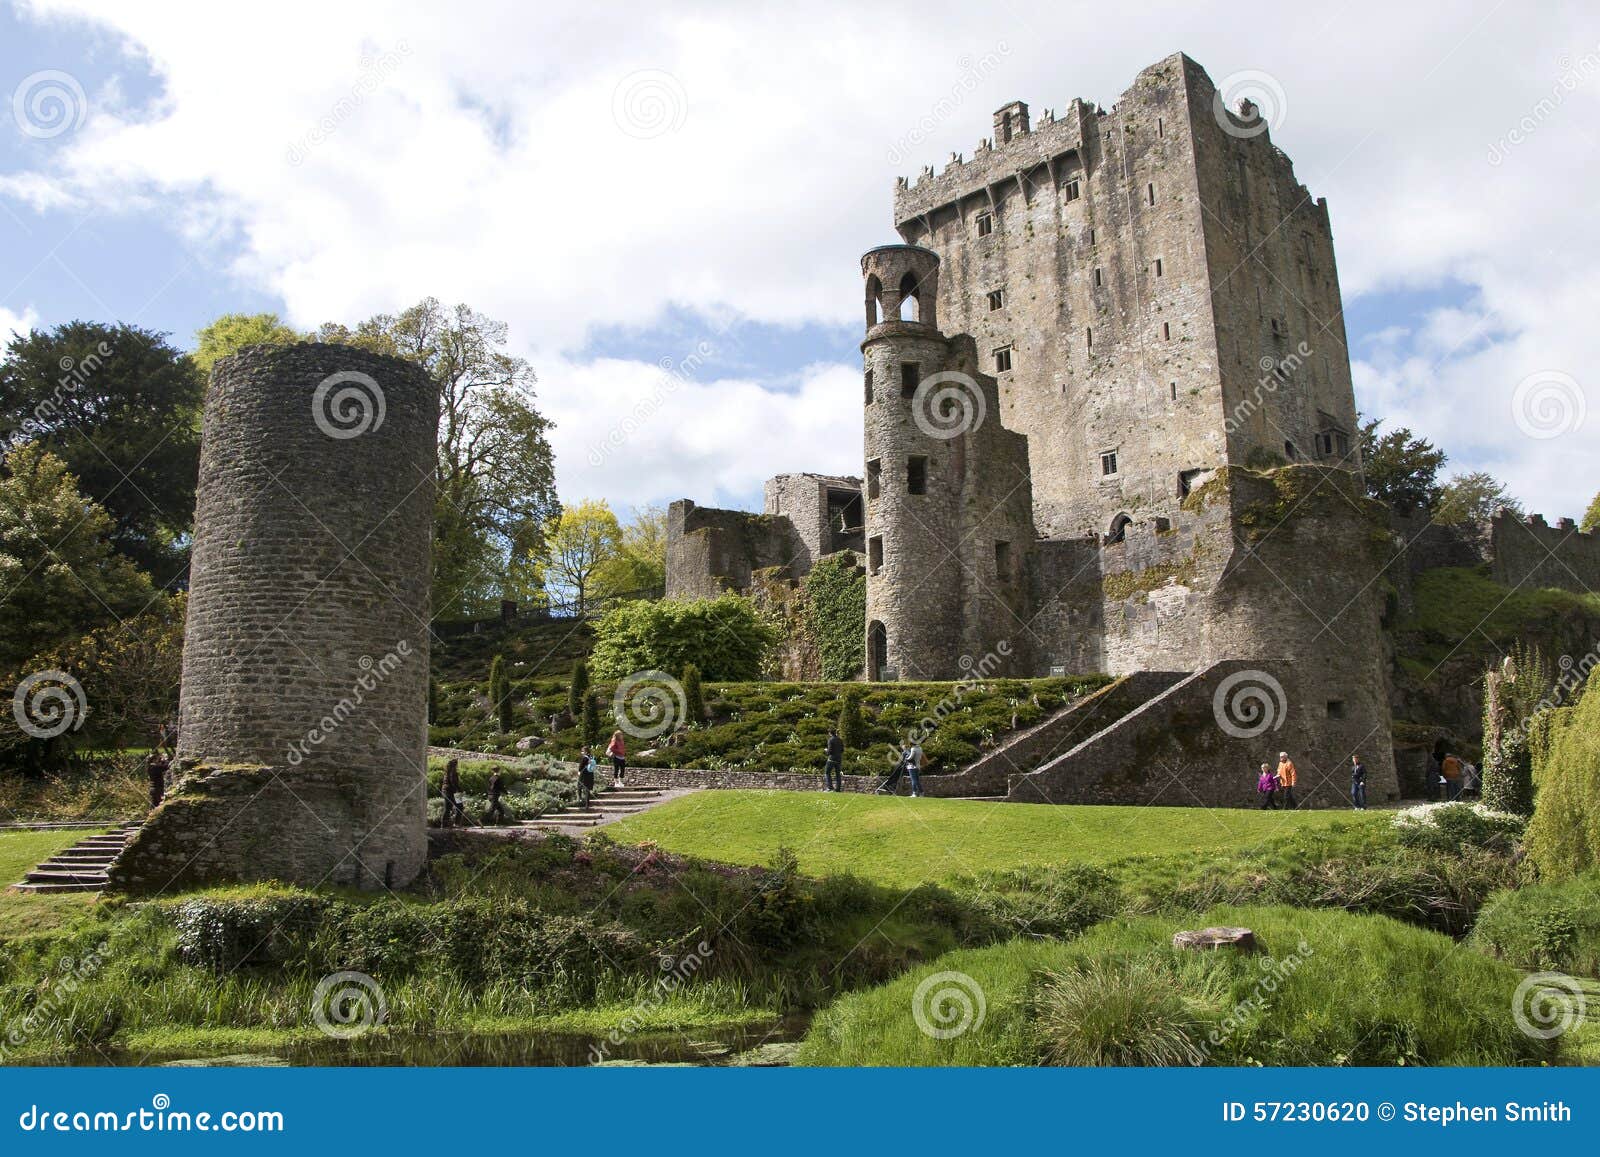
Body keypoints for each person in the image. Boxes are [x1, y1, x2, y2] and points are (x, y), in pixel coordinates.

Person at [440, 757, 466, 828]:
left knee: (447, 808)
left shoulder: (447, 772)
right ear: (455, 765)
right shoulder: (453, 772)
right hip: (451, 791)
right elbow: (454, 783)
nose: (458, 766)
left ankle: (444, 824)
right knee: (460, 807)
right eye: (457, 764)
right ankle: (456, 823)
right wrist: (461, 791)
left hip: (446, 791)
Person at [823, 727, 845, 792]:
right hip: (839, 759)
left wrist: (826, 750)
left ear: (830, 733)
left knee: (827, 772)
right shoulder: (840, 740)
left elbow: (829, 751)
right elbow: (842, 750)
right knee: (838, 774)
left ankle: (830, 788)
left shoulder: (830, 740)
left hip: (831, 759)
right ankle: (838, 789)